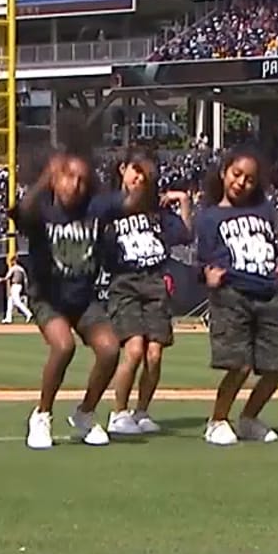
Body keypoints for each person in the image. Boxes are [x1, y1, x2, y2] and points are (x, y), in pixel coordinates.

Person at [12, 151, 124, 449]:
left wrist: (143, 181)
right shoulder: (41, 210)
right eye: (67, 176)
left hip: (83, 298)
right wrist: (42, 181)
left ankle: (85, 413)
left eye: (82, 180)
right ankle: (42, 415)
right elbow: (21, 212)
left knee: (110, 349)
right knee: (64, 346)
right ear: (54, 179)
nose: (74, 184)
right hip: (48, 297)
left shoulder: (93, 211)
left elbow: (128, 204)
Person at [195, 147, 278, 446]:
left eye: (249, 179)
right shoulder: (210, 217)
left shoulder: (265, 210)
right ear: (224, 173)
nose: (241, 182)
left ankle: (249, 418)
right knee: (239, 365)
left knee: (275, 367)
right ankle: (218, 420)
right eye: (237, 174)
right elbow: (201, 261)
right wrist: (206, 276)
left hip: (266, 294)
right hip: (231, 295)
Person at [102, 148, 193, 436]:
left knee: (154, 354)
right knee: (135, 349)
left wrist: (183, 201)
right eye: (135, 170)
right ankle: (118, 414)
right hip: (125, 282)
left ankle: (142, 412)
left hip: (154, 281)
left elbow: (185, 234)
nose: (139, 177)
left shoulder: (157, 209)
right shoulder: (108, 206)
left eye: (145, 172)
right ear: (122, 170)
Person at [0, 256, 33, 323]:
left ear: (14, 261)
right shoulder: (21, 269)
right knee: (10, 302)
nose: (11, 263)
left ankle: (28, 313)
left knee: (17, 302)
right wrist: (26, 287)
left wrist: (0, 279)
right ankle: (8, 318)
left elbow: (7, 277)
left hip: (15, 286)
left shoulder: (14, 268)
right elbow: (25, 279)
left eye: (12, 261)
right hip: (19, 286)